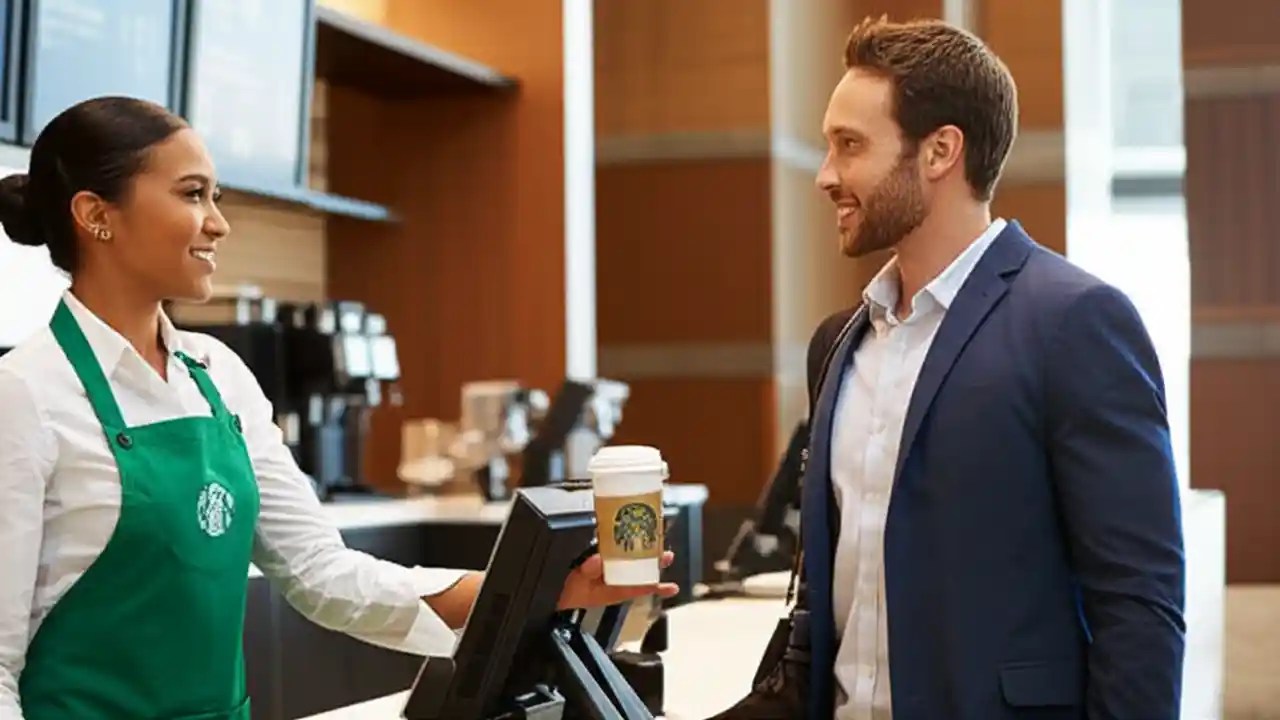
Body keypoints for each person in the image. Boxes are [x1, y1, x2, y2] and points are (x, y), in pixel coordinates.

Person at [0, 96, 677, 720]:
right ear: (95, 215)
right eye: (192, 195)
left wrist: (544, 590)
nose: (219, 222)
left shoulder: (218, 376)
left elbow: (324, 575)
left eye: (216, 196)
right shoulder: (25, 393)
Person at [722, 17, 1185, 720]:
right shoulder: (837, 343)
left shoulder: (1076, 322)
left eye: (850, 146)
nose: (825, 176)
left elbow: (1140, 606)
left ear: (939, 151)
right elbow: (827, 610)